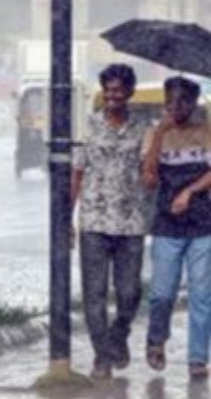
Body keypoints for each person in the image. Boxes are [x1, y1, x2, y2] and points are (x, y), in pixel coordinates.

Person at [71, 64, 151, 380]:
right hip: (93, 220)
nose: (112, 96)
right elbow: (76, 173)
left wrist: (161, 138)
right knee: (94, 294)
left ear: (130, 92)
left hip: (131, 222)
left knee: (130, 292)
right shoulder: (88, 127)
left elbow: (150, 172)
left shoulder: (144, 129)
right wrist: (67, 217)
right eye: (108, 89)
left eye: (119, 90)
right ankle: (102, 357)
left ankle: (118, 335)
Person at [142, 76, 211, 379]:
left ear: (194, 102)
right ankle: (156, 340)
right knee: (161, 293)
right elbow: (148, 179)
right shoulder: (155, 133)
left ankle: (197, 358)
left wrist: (190, 191)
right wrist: (160, 133)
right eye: (171, 101)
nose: (177, 107)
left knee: (201, 293)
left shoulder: (207, 132)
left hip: (203, 224)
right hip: (166, 225)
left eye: (183, 100)